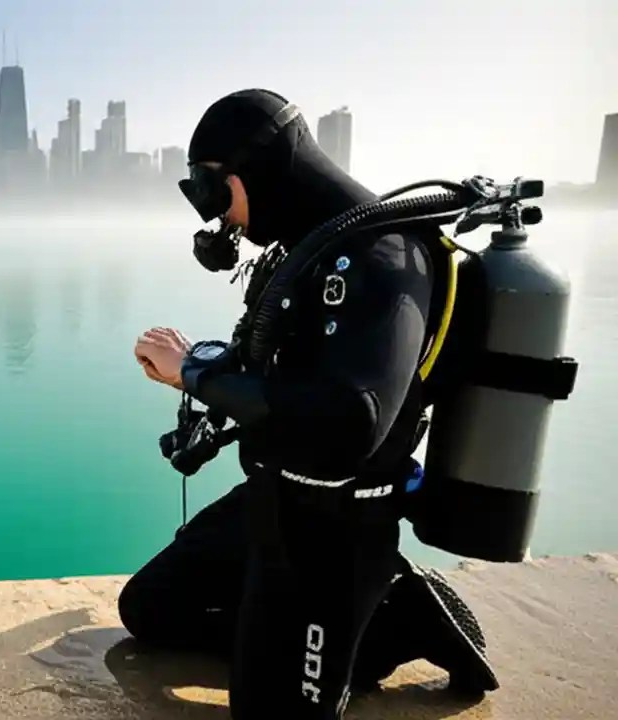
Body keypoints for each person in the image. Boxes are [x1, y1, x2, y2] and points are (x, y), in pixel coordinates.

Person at [127, 89, 497, 719]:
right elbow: (272, 360)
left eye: (214, 193)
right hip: (274, 499)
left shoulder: (385, 257)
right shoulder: (302, 251)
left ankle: (392, 619)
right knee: (149, 609)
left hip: (335, 532)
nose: (218, 218)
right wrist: (198, 361)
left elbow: (351, 421)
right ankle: (376, 618)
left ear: (258, 171)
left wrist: (193, 375)